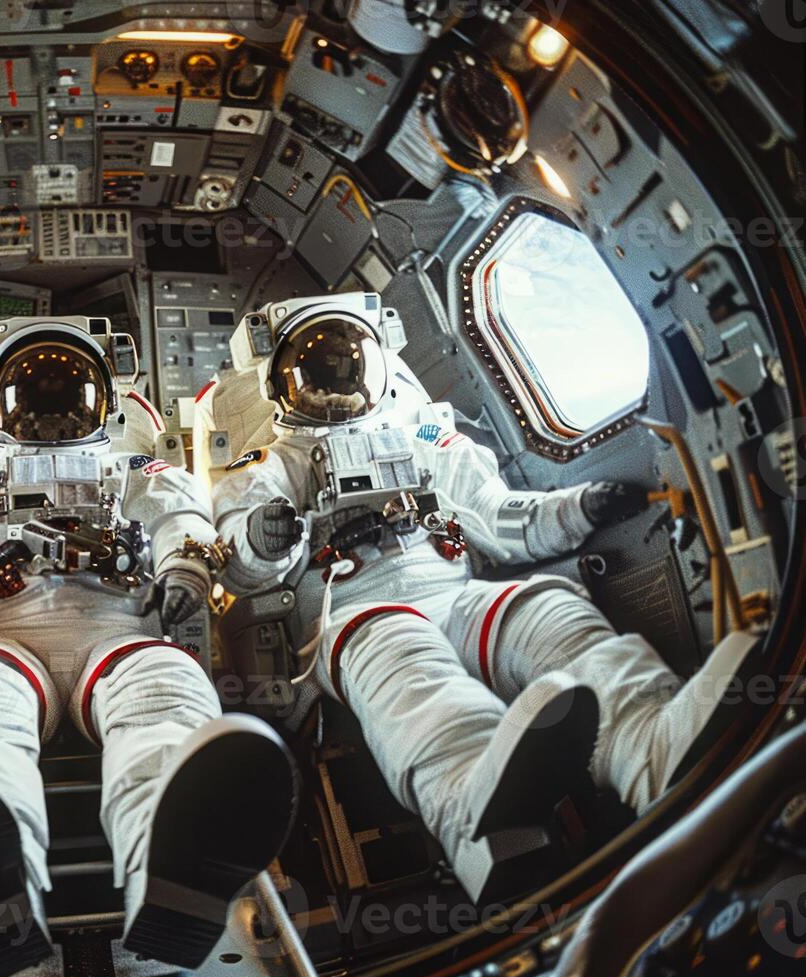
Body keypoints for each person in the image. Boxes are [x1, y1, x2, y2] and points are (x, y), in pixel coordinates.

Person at [0, 316, 298, 973]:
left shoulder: (136, 467)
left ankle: (174, 869)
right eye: (34, 398)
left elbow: (181, 520)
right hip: (6, 633)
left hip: (119, 631)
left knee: (165, 690)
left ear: (103, 404)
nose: (50, 415)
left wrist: (184, 573)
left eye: (66, 396)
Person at [213, 295, 625, 901]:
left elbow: (498, 516)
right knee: (407, 661)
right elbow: (241, 567)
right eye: (318, 376)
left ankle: (653, 741)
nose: (334, 390)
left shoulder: (428, 435)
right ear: (284, 388)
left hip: (455, 599)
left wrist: (578, 507)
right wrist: (261, 536)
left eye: (345, 371)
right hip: (355, 616)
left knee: (548, 608)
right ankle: (475, 816)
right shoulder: (272, 468)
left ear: (374, 371)